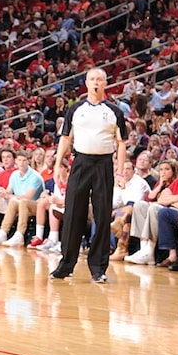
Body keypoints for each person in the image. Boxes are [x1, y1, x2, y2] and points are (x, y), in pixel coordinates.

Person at [50, 67, 128, 283]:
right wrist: (57, 165)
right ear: (86, 83)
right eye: (92, 78)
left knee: (102, 215)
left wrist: (120, 172)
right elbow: (65, 138)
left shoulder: (115, 111)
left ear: (105, 84)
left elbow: (122, 143)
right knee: (74, 211)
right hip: (80, 163)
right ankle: (66, 264)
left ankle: (98, 268)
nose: (96, 82)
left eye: (100, 79)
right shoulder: (75, 109)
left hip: (104, 164)